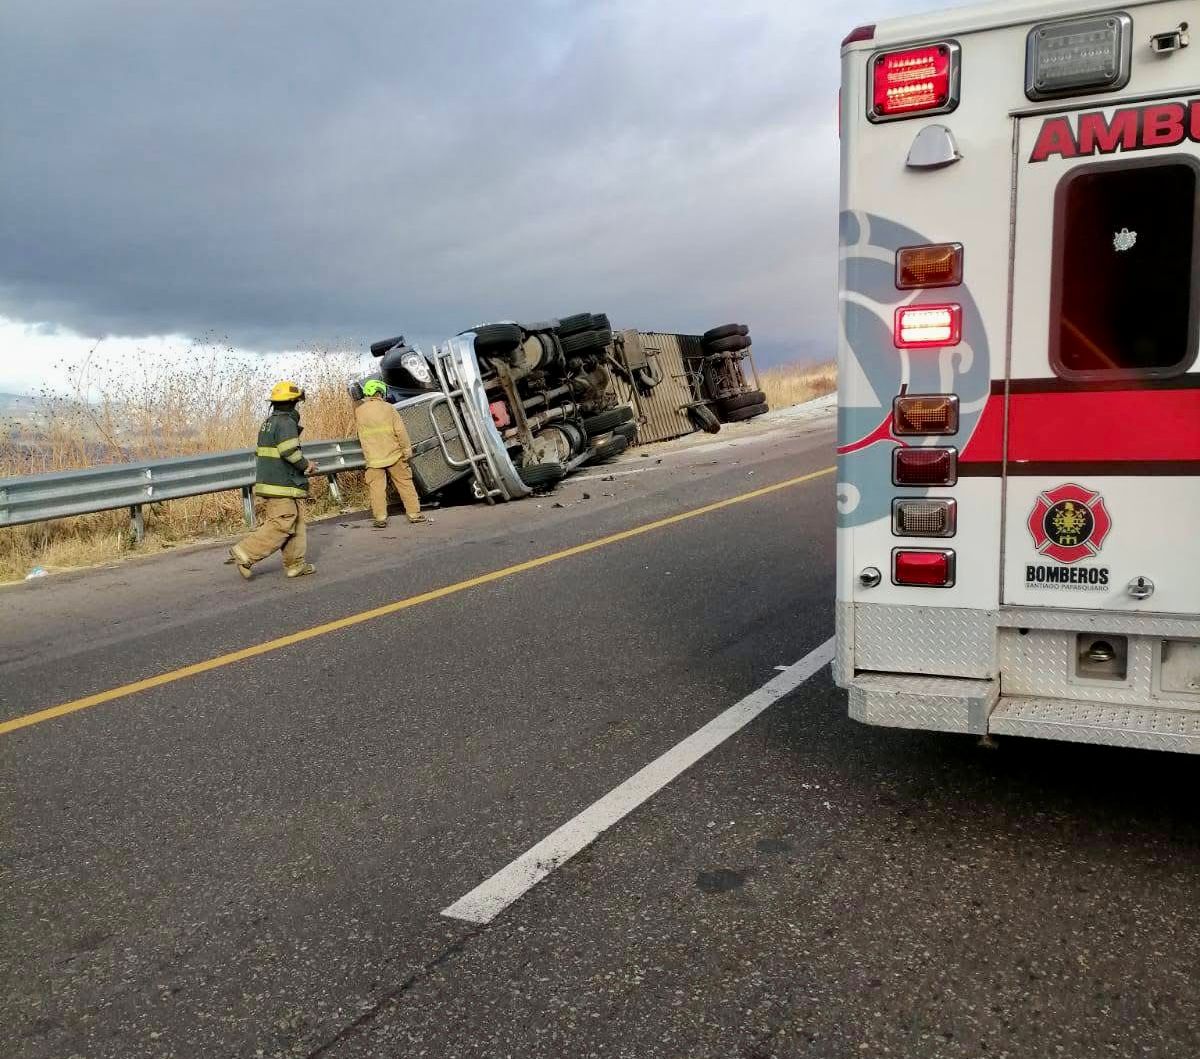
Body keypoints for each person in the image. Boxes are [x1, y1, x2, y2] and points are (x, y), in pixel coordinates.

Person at [227, 381, 320, 580]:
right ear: (293, 402)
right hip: (281, 483)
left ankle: (295, 565)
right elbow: (289, 451)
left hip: (277, 482)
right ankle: (245, 552)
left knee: (294, 523)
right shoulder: (286, 422)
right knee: (282, 522)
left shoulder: (268, 422)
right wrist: (307, 465)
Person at [355, 379, 428, 529]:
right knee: (405, 484)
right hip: (394, 454)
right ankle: (414, 514)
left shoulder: (359, 412)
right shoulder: (389, 408)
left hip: (373, 458)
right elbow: (400, 431)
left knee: (376, 489)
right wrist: (407, 450)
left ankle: (380, 518)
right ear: (380, 392)